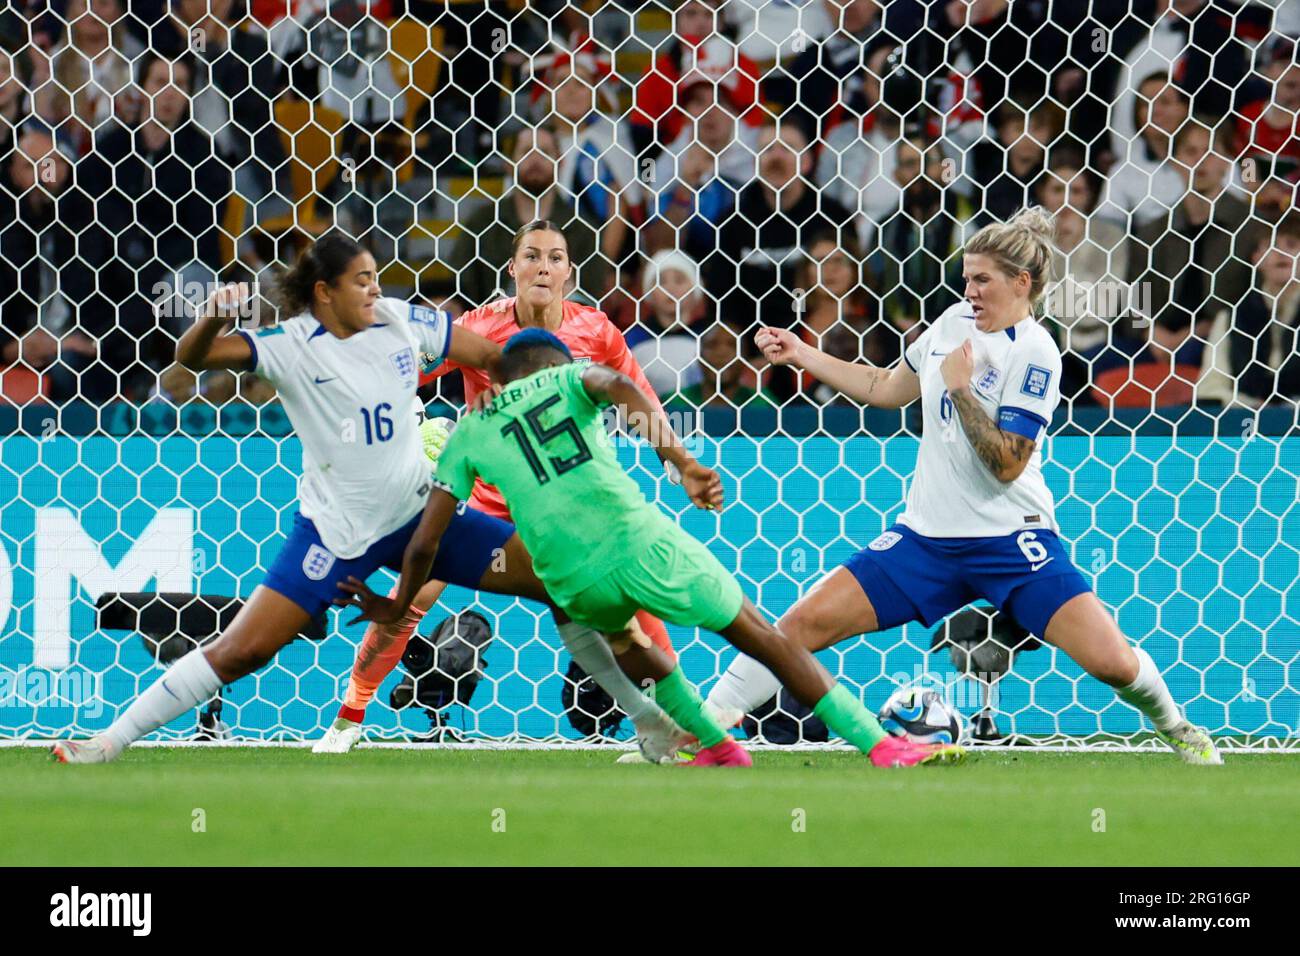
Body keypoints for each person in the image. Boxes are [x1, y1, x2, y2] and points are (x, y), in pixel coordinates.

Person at [48, 234, 662, 764]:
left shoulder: (400, 321)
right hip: (334, 533)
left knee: (562, 582)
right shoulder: (288, 346)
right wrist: (212, 315)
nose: (375, 290)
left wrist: (551, 394)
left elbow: (491, 356)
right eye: (362, 281)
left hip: (419, 512)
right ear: (324, 292)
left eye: (375, 278)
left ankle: (650, 723)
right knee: (243, 650)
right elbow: (195, 356)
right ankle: (111, 740)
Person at [706, 207, 1223, 765]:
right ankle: (699, 735)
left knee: (1112, 664)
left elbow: (1007, 464)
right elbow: (885, 387)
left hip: (1012, 543)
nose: (969, 290)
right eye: (966, 277)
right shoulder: (951, 322)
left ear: (1022, 283)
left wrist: (959, 390)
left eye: (983, 279)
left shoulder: (1036, 353)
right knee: (797, 625)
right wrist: (804, 354)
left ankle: (1178, 727)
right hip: (925, 539)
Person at [340, 329, 965, 770]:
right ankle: (881, 746)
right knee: (760, 633)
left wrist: (395, 603)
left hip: (570, 577)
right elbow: (612, 380)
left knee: (629, 649)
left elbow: (426, 541)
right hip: (638, 542)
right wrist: (683, 461)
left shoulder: (468, 430)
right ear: (551, 365)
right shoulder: (566, 376)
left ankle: (709, 743)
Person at [314, 222, 689, 759]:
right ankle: (349, 718)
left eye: (555, 258)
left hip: (564, 498)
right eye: (531, 256)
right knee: (407, 602)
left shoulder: (596, 331)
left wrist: (675, 458)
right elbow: (409, 372)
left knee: (625, 599)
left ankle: (673, 727)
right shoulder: (479, 327)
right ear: (511, 269)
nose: (543, 266)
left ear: (568, 273)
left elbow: (640, 399)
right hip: (486, 500)